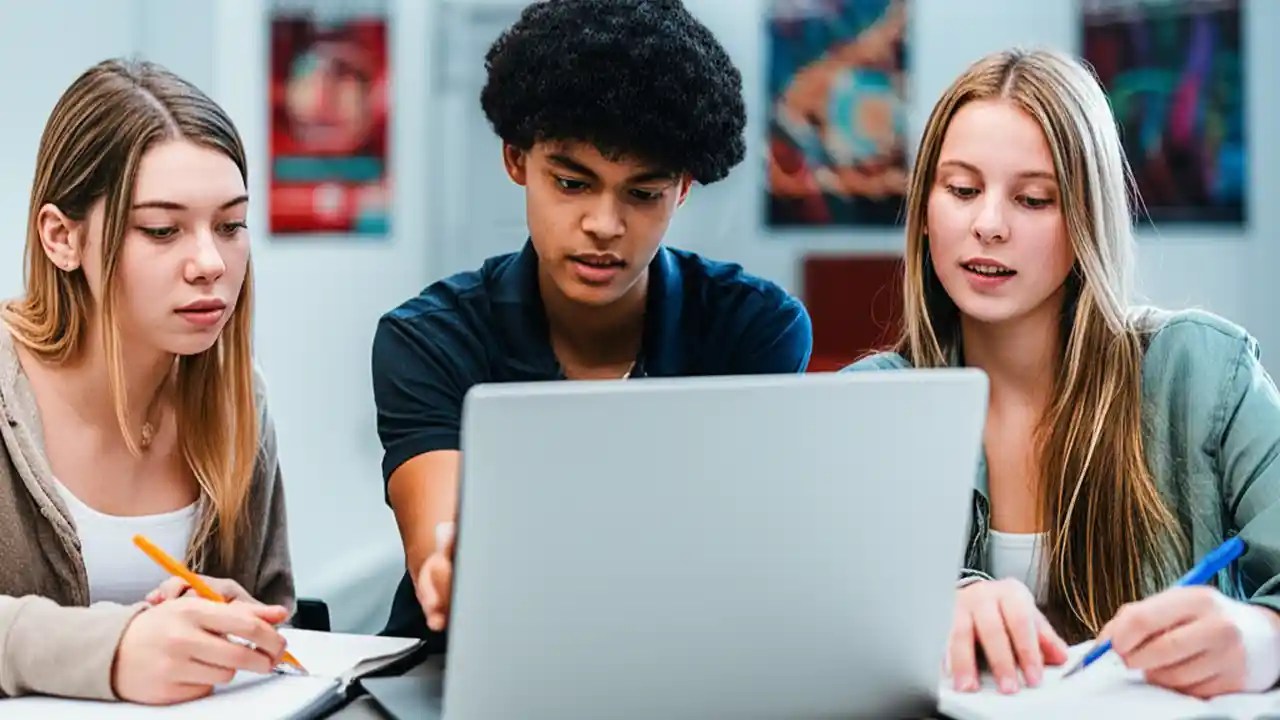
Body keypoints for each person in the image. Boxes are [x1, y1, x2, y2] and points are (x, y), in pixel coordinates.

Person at [844, 47, 1280, 700]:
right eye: (961, 190)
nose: (989, 225)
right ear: (926, 212)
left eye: (1033, 199)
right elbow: (800, 617)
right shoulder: (866, 407)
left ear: (1087, 218)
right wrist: (935, 607)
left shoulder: (1204, 373)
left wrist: (1263, 639)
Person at [372, 0, 812, 647]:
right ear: (516, 160)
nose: (604, 225)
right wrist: (449, 563)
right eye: (572, 183)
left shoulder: (754, 328)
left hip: (676, 656)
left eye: (643, 194)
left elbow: (747, 544)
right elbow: (440, 533)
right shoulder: (429, 338)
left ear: (682, 190)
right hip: (462, 658)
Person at [0, 59, 294, 705]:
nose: (210, 263)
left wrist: (240, 624)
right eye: (162, 230)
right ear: (61, 237)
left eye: (231, 225)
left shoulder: (238, 397)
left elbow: (277, 614)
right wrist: (111, 650)